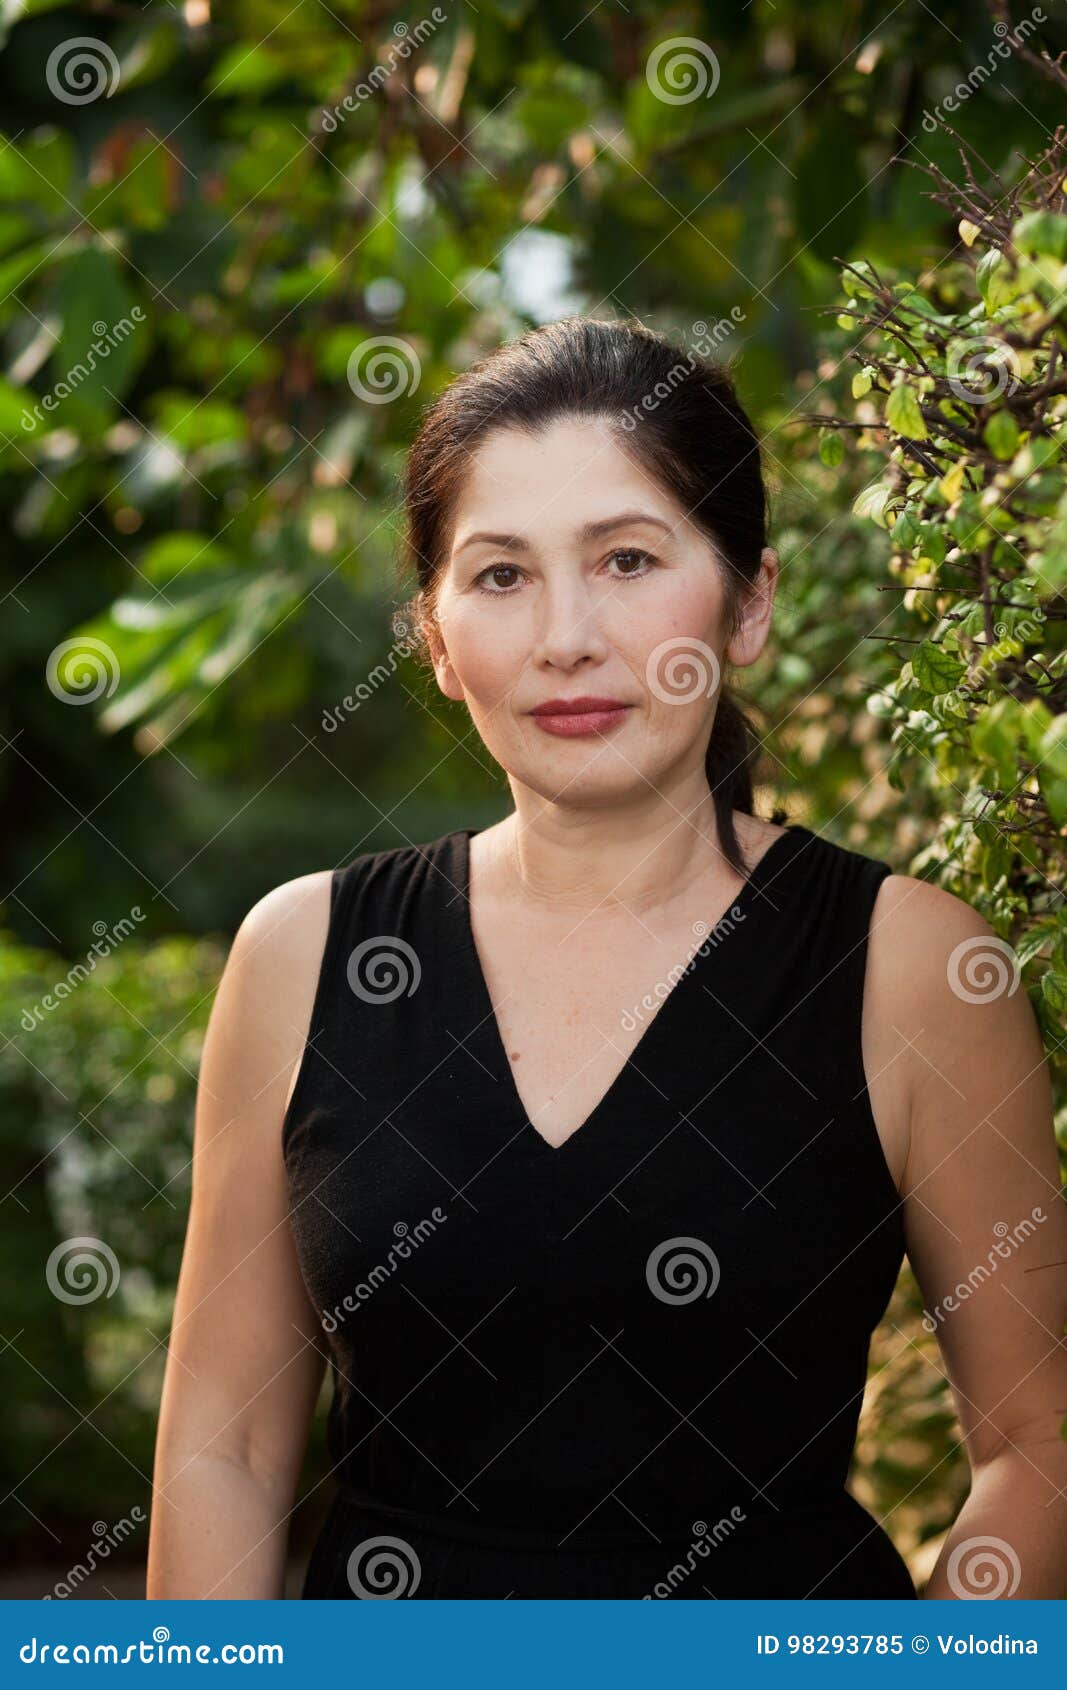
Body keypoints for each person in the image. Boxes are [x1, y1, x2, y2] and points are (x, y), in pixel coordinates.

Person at [147, 317, 1067, 1600]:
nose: (565, 636)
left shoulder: (907, 964)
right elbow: (227, 1450)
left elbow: (1037, 1446)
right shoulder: (305, 953)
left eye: (627, 559)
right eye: (500, 575)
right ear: (434, 637)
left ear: (748, 601)